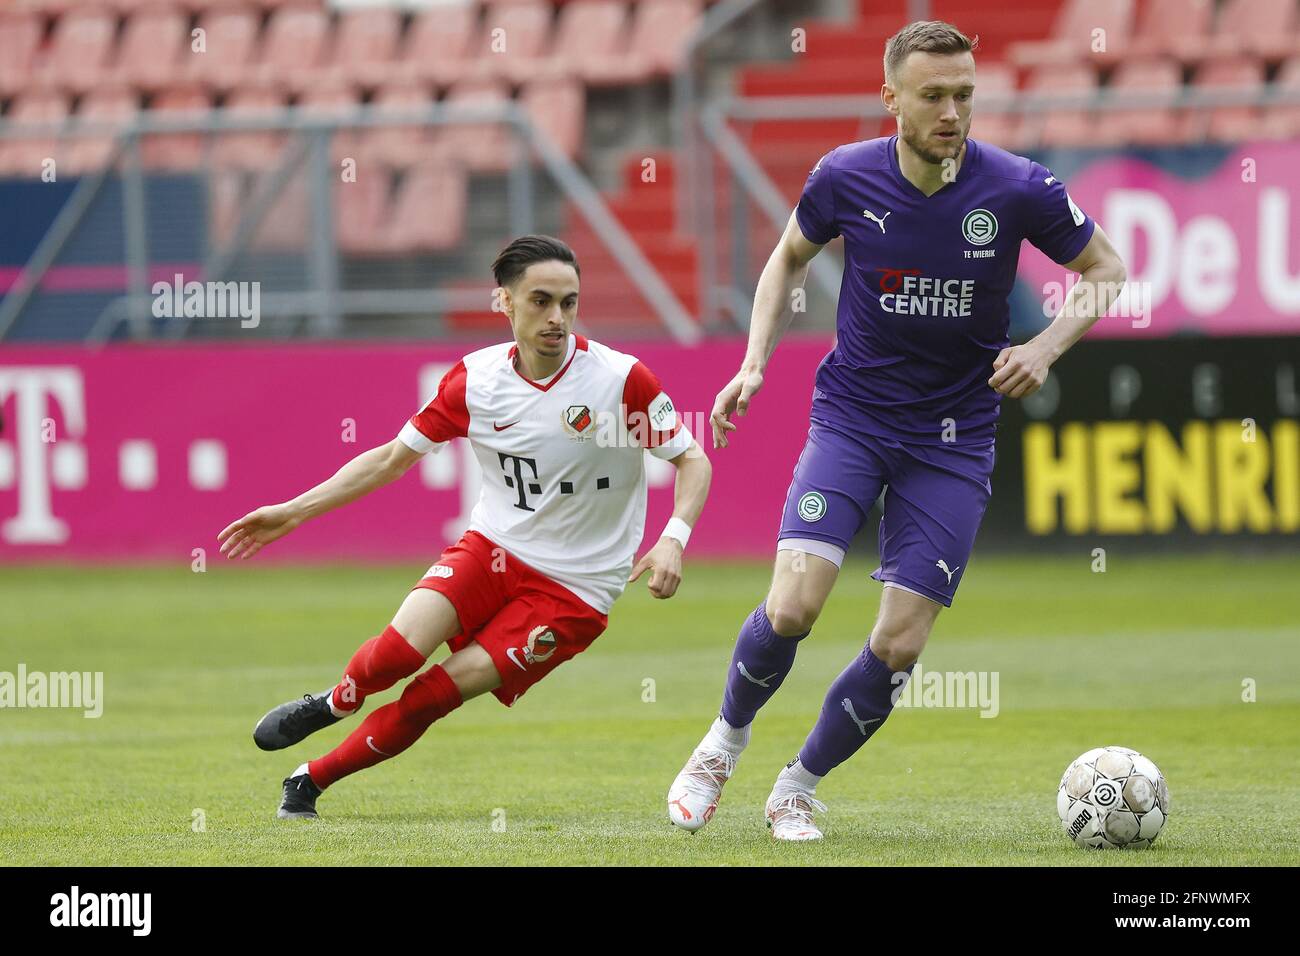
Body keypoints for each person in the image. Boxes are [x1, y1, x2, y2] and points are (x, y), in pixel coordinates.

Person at [667, 20, 1127, 840]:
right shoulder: (844, 177)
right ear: (892, 100)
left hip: (954, 440)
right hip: (853, 418)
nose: (953, 111)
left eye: (964, 95)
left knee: (902, 641)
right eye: (934, 96)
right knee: (796, 605)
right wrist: (753, 362)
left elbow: (1108, 271)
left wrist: (1046, 346)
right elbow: (787, 259)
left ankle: (797, 787)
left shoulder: (1018, 187)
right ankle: (720, 745)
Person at [218, 235, 711, 819]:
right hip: (492, 550)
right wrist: (293, 511)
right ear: (503, 302)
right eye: (541, 301)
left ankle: (308, 781)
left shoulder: (621, 379)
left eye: (570, 303)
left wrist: (673, 538)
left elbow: (692, 459)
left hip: (574, 592)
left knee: (433, 695)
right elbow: (388, 460)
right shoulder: (474, 381)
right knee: (394, 657)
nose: (557, 318)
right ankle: (335, 700)